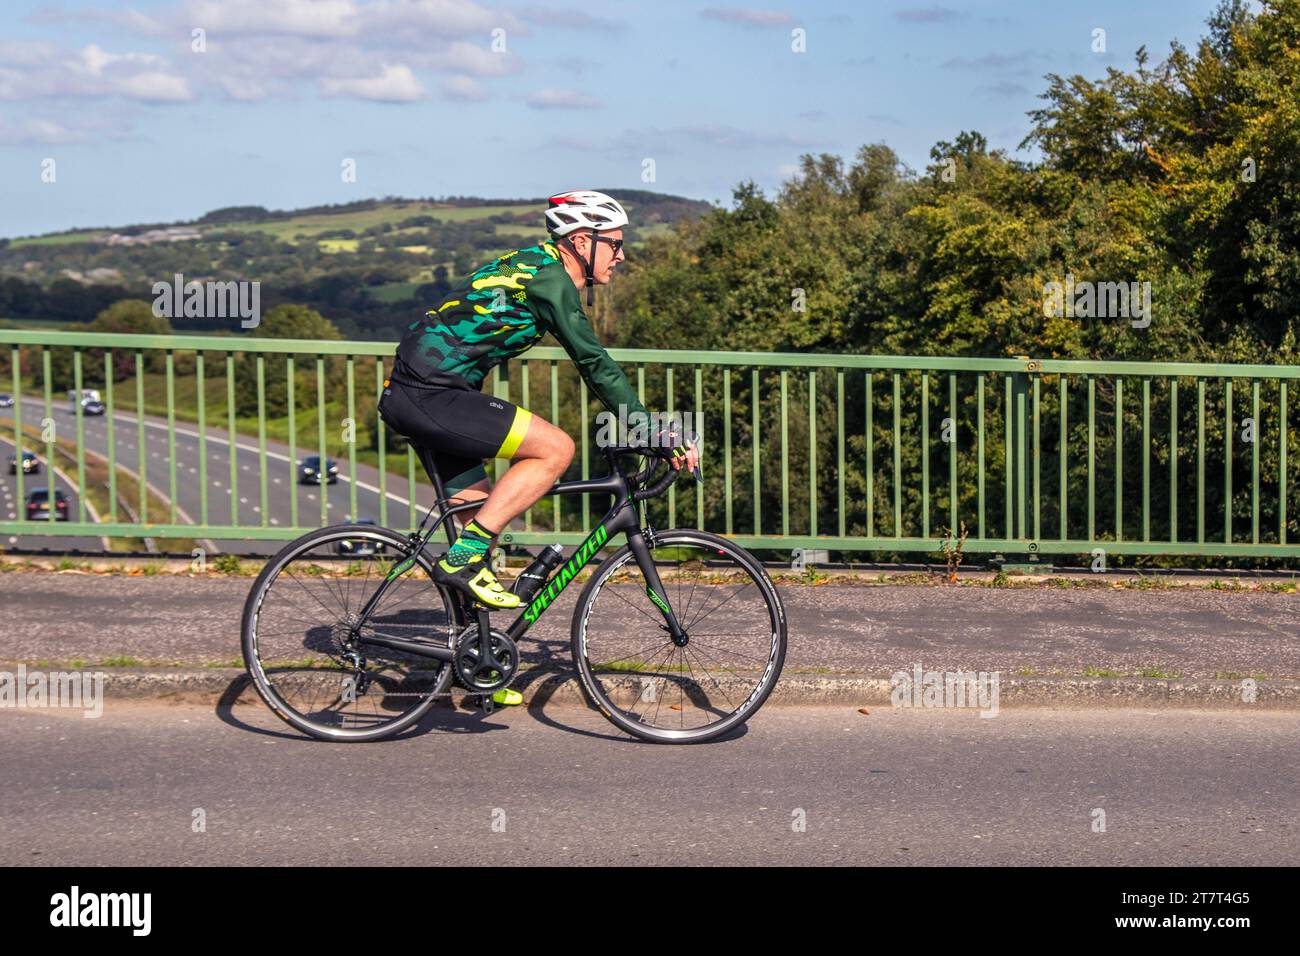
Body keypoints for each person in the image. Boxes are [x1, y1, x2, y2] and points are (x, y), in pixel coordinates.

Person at [378, 190, 698, 702]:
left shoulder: (536, 266)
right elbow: (594, 363)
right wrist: (652, 429)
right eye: (613, 244)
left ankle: (479, 662)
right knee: (554, 449)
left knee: (482, 521)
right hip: (431, 394)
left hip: (422, 392)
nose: (621, 255)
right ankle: (465, 558)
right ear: (580, 241)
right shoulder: (551, 278)